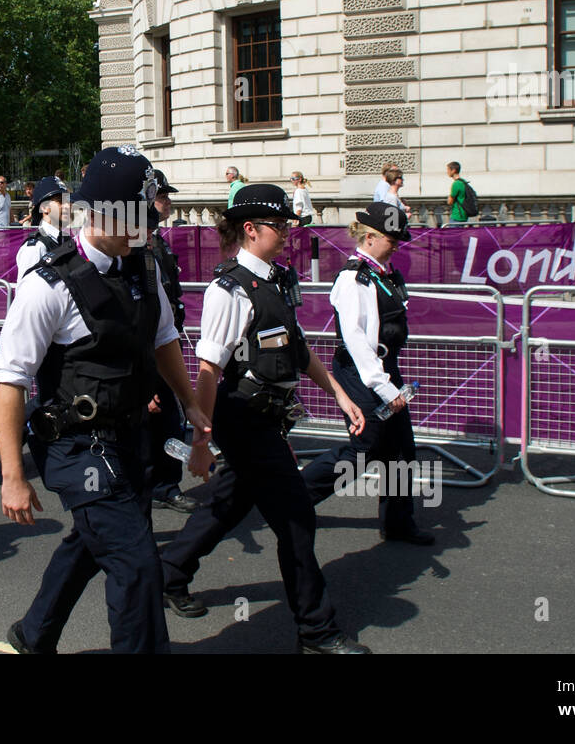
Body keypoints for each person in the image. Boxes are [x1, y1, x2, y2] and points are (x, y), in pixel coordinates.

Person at [0, 146, 212, 655]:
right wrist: (12, 476)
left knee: (92, 544)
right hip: (78, 447)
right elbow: (10, 381)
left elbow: (163, 340)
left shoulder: (143, 266)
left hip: (132, 439)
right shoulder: (47, 286)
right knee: (137, 564)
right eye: (139, 219)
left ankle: (34, 633)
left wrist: (191, 404)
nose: (149, 229)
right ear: (101, 214)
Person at [157, 184, 370, 654]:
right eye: (280, 225)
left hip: (267, 419)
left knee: (230, 502)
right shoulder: (228, 290)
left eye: (290, 224)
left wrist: (338, 394)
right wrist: (200, 441)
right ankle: (316, 630)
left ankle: (168, 572)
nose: (289, 232)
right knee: (295, 519)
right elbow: (209, 371)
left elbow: (297, 349)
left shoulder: (275, 279)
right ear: (251, 230)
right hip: (243, 418)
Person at [301, 202, 435, 548]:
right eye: (392, 238)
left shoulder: (385, 273)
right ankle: (293, 499)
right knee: (365, 448)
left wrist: (389, 380)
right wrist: (384, 387)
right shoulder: (353, 278)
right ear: (371, 236)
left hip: (383, 369)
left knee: (402, 448)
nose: (397, 243)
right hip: (361, 372)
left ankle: (398, 523)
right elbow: (357, 340)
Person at [144, 170, 198, 514]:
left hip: (166, 341)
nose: (168, 202)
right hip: (146, 348)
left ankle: (165, 484)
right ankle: (151, 485)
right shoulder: (138, 244)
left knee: (169, 418)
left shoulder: (158, 240)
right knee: (153, 420)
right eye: (163, 195)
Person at [14, 176, 70, 277]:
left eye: (68, 201)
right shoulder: (35, 249)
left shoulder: (65, 240)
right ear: (44, 208)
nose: (67, 206)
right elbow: (26, 290)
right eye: (60, 201)